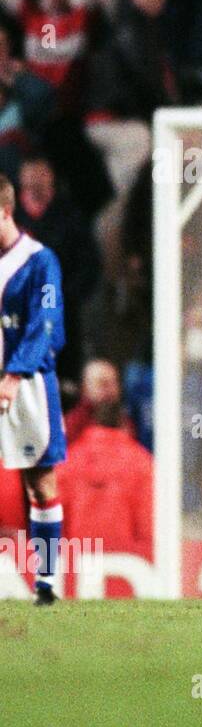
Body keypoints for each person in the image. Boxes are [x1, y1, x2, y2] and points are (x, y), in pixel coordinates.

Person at [0, 174, 66, 605]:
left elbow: (46, 325)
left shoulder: (39, 260)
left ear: (5, 211)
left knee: (39, 483)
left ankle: (46, 582)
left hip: (27, 387)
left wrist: (15, 375)